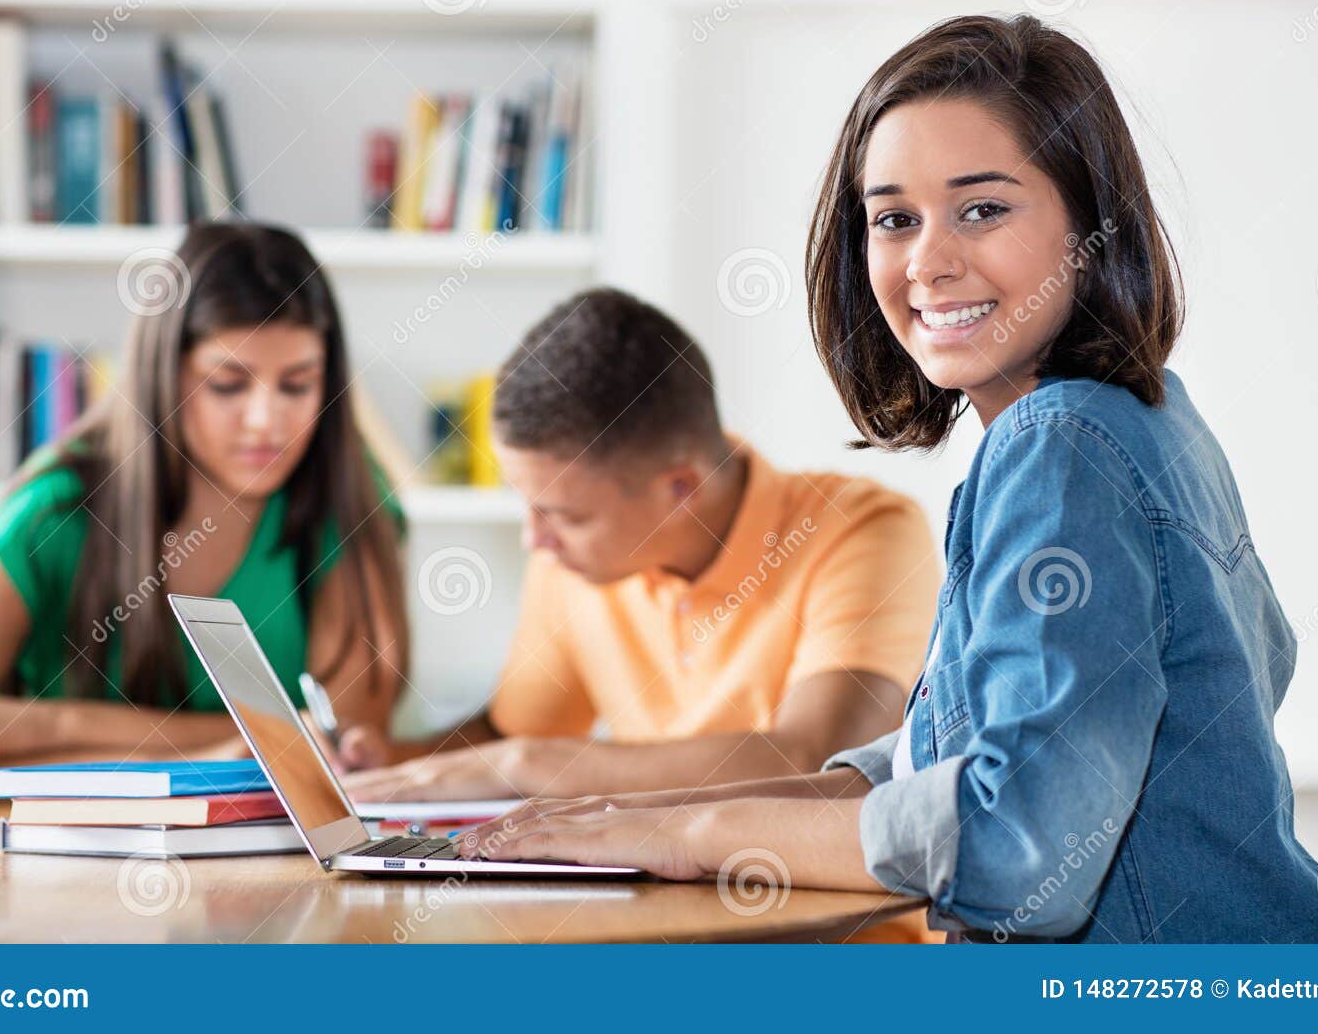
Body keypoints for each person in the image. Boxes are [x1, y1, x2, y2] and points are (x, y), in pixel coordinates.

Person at [457, 15, 1318, 944]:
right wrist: (642, 822)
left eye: (983, 209)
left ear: (1089, 225)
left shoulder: (1064, 445)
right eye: (893, 219)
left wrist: (694, 831)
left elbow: (1021, 851)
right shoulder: (1140, 415)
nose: (928, 261)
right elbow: (956, 757)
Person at [0, 224, 408, 807]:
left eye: (298, 385)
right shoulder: (54, 513)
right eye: (227, 385)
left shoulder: (350, 502)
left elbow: (338, 752)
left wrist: (36, 727)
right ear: (162, 377)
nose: (266, 422)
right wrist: (222, 752)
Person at [342, 287, 937, 805]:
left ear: (679, 489)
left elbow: (816, 760)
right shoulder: (572, 560)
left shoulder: (862, 530)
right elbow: (509, 738)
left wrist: (533, 766)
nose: (535, 539)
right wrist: (382, 763)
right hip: (653, 919)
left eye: (563, 514)